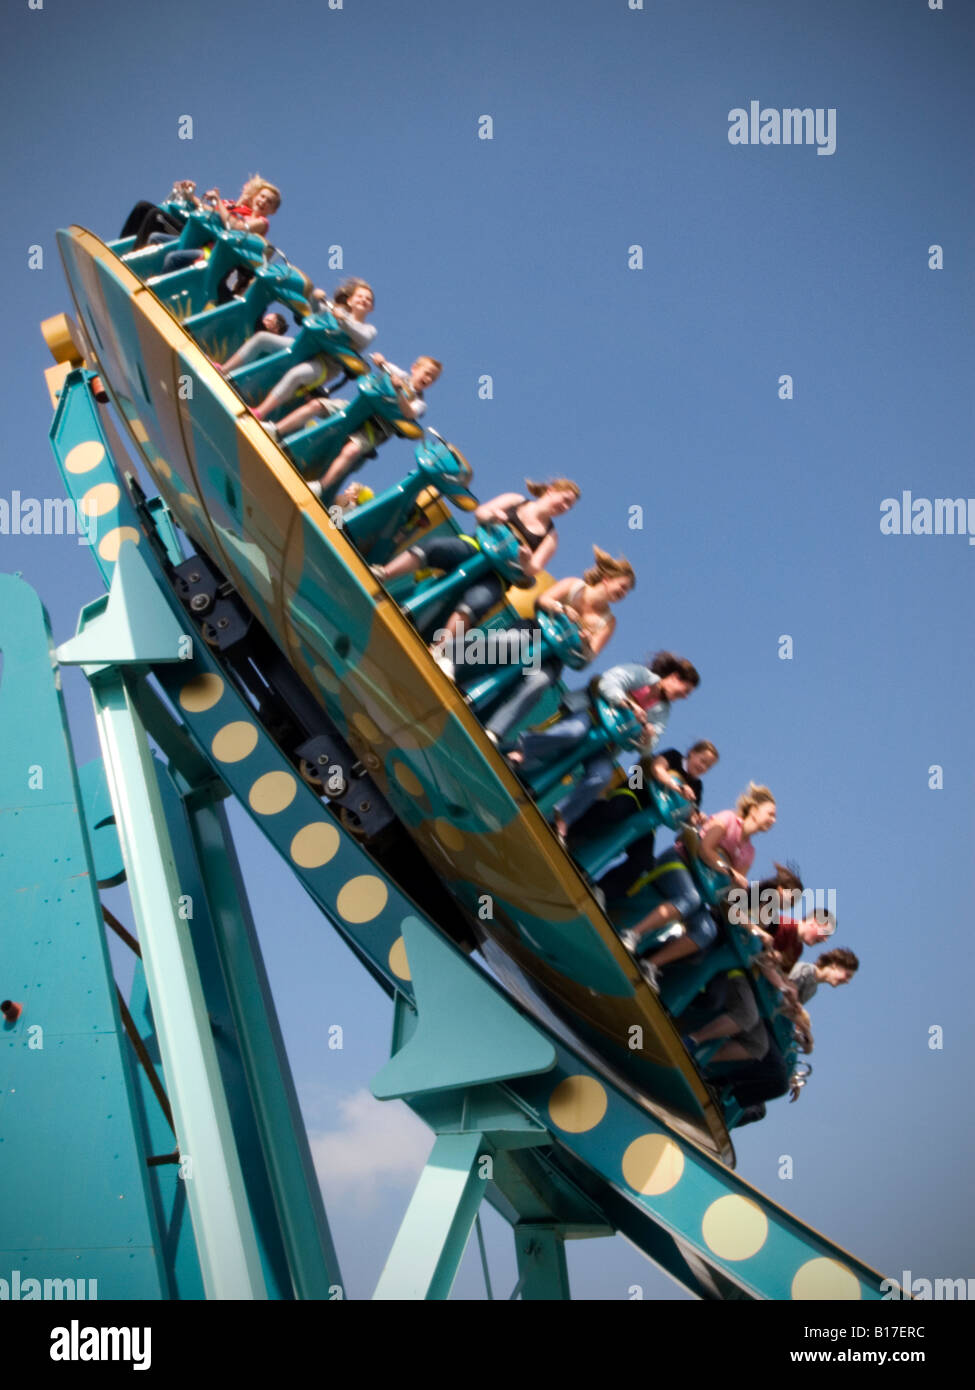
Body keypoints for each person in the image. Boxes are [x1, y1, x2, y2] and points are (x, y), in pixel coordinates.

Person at [373, 481, 581, 676]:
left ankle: (438, 648)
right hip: (476, 547)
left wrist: (526, 561)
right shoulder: (516, 500)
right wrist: (493, 516)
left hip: (499, 575)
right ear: (551, 490)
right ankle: (383, 573)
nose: (564, 506)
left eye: (569, 506)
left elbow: (534, 568)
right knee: (436, 547)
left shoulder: (550, 536)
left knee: (479, 601)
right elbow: (481, 512)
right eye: (564, 499)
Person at [509, 653, 701, 840]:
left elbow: (648, 749)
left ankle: (561, 817)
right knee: (573, 732)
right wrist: (629, 705)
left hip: (607, 744)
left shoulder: (663, 711)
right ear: (675, 678)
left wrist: (647, 736)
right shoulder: (642, 675)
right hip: (591, 715)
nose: (683, 696)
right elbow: (608, 683)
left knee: (601, 776)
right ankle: (522, 750)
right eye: (684, 691)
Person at [618, 783, 777, 988]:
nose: (773, 820)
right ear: (754, 810)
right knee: (690, 898)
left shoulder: (749, 853)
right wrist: (730, 872)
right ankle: (632, 933)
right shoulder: (728, 819)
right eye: (770, 814)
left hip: (696, 888)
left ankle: (650, 964)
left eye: (774, 818)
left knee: (707, 930)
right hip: (677, 863)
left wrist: (757, 930)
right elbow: (705, 849)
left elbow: (730, 899)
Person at [480, 549, 636, 746]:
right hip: (534, 631)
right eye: (621, 587)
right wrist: (561, 609)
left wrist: (585, 641)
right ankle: (454, 659)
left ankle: (495, 730)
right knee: (507, 642)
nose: (622, 594)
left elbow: (590, 655)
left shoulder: (609, 622)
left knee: (538, 683)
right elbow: (543, 599)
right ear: (607, 579)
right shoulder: (574, 585)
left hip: (555, 657)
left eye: (626, 592)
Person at [571, 739, 719, 897]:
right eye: (702, 761)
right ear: (691, 753)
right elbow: (657, 768)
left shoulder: (697, 787)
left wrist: (696, 819)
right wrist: (677, 786)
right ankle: (570, 831)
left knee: (643, 860)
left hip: (650, 817)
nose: (702, 767)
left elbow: (689, 813)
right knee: (614, 812)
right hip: (635, 794)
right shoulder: (674, 756)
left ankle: (602, 891)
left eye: (707, 766)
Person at [294, 354, 443, 500]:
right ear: (415, 368)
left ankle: (321, 486)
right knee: (316, 405)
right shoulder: (401, 375)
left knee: (351, 451)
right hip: (360, 409)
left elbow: (409, 412)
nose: (428, 379)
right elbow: (382, 363)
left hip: (375, 429)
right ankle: (281, 434)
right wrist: (380, 360)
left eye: (433, 379)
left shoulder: (420, 403)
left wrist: (398, 392)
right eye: (427, 373)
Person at [250, 280, 377, 420]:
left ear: (371, 308)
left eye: (368, 299)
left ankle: (260, 412)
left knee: (297, 374)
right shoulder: (336, 310)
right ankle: (226, 371)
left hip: (325, 365)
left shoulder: (368, 329)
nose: (364, 300)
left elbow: (362, 337)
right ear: (349, 300)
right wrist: (315, 298)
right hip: (304, 345)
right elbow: (316, 310)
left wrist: (345, 320)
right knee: (262, 339)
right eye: (360, 296)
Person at [789, 946, 859, 1003]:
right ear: (835, 965)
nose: (847, 981)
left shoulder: (812, 990)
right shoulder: (804, 970)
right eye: (847, 975)